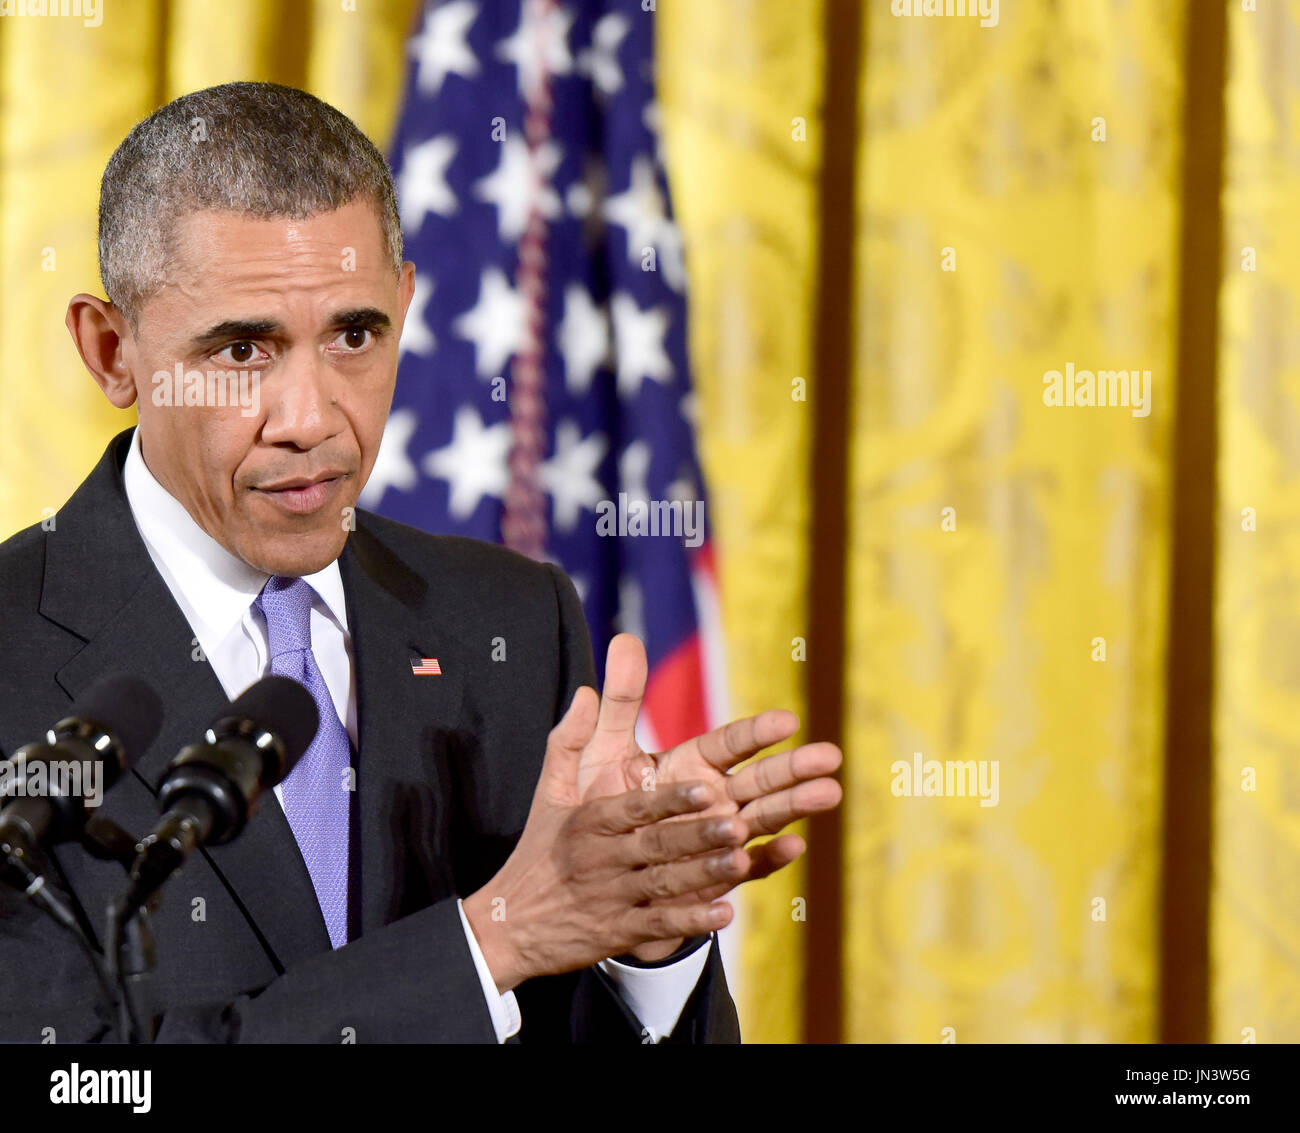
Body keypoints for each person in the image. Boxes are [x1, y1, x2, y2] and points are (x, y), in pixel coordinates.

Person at [0, 82, 842, 1043]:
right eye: (242, 349)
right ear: (113, 352)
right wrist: (493, 940)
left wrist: (641, 940)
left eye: (355, 334)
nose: (313, 420)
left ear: (406, 303)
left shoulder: (517, 621)